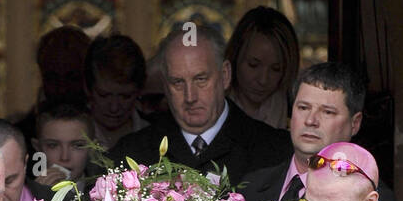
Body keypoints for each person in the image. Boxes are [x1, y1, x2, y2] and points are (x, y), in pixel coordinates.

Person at [112, 22, 289, 187]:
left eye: (201, 79)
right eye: (178, 82)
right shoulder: (130, 155)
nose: (190, 97)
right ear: (165, 85)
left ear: (225, 75)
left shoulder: (276, 152)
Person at [241, 61, 398, 201]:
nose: (310, 120)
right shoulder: (250, 186)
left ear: (355, 123)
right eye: (303, 108)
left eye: (327, 112)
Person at [225, 6, 300, 130]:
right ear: (235, 57)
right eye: (253, 65)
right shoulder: (210, 110)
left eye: (276, 69)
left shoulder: (297, 116)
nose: (263, 80)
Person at [83, 34, 148, 148]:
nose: (114, 107)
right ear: (88, 89)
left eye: (125, 96)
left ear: (139, 92)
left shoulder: (155, 139)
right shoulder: (67, 137)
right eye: (104, 95)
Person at [30, 103, 98, 201]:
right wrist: (37, 195)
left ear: (92, 148)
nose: (64, 157)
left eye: (78, 145)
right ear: (38, 147)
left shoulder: (106, 194)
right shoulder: (23, 194)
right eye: (53, 145)